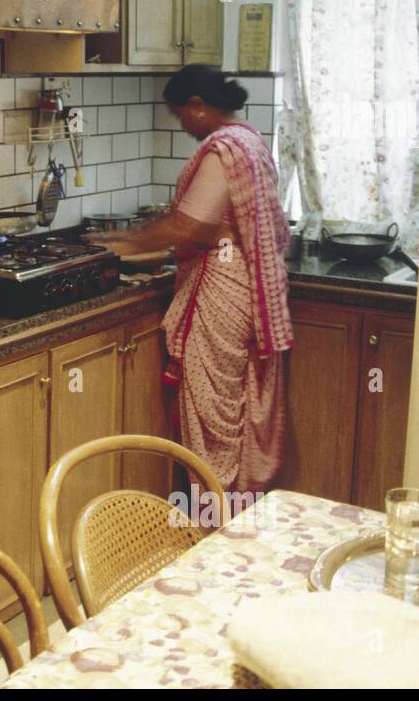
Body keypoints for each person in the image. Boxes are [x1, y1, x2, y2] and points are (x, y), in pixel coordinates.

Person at [88, 65, 293, 494]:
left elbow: (190, 228)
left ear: (198, 106)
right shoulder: (250, 139)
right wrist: (132, 239)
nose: (181, 124)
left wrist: (124, 243)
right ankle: (229, 514)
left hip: (223, 287)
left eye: (180, 114)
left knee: (211, 409)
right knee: (231, 405)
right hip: (244, 283)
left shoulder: (223, 149)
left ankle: (214, 520)